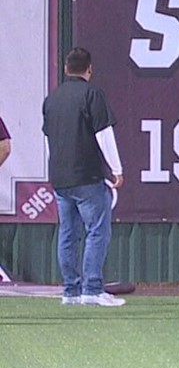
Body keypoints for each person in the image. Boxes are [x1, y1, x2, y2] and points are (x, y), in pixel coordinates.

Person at [42, 48, 125, 306]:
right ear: (89, 69)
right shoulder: (92, 94)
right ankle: (92, 289)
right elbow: (104, 133)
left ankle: (71, 292)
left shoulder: (52, 99)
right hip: (87, 176)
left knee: (68, 233)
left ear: (66, 69)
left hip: (60, 177)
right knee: (97, 231)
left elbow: (48, 139)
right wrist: (117, 168)